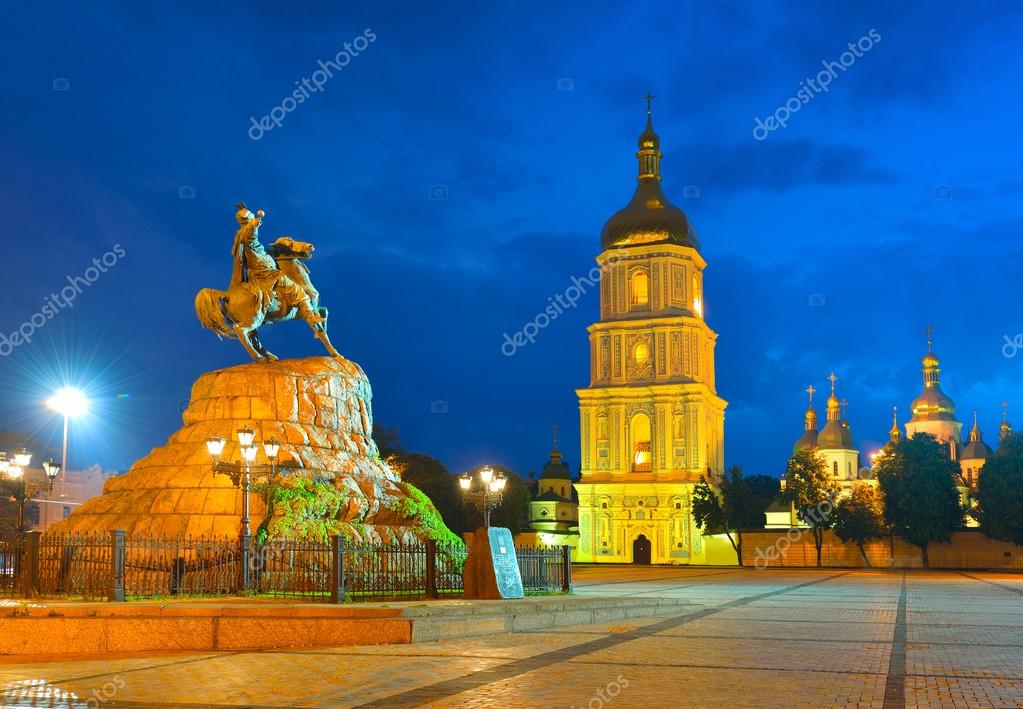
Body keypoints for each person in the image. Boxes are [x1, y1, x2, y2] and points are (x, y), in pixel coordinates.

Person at [230, 203, 323, 326]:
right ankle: (312, 317)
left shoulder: (240, 235)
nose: (254, 219)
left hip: (261, 272)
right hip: (268, 274)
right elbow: (251, 237)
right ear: (248, 220)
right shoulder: (247, 232)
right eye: (251, 218)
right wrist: (254, 226)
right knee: (298, 291)